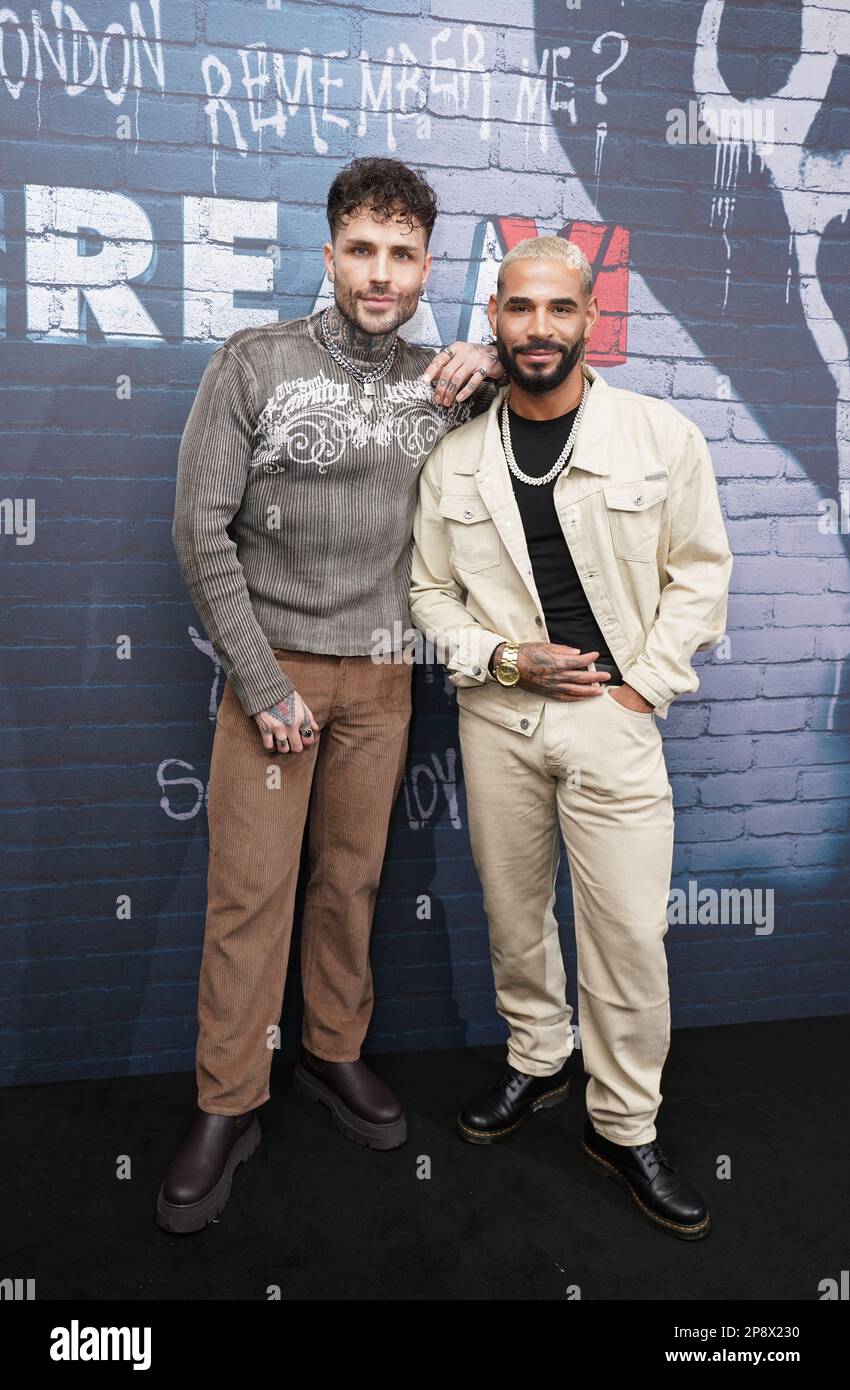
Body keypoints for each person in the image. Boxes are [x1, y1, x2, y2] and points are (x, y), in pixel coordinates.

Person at [159, 156, 503, 1234]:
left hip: (386, 677)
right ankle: (228, 1104)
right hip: (275, 676)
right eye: (362, 248)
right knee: (249, 898)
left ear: (424, 267)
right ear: (329, 254)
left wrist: (487, 358)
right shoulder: (254, 363)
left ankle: (333, 1054)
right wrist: (260, 683)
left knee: (349, 884)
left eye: (402, 254)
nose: (381, 272)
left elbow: (527, 413)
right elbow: (197, 530)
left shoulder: (440, 382)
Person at [408, 235, 733, 1240]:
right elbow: (426, 593)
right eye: (519, 310)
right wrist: (507, 660)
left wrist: (639, 689)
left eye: (559, 310)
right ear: (494, 319)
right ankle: (536, 1059)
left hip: (612, 726)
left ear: (590, 319)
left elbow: (700, 574)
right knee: (514, 915)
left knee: (627, 936)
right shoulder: (457, 455)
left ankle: (623, 1123)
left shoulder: (658, 435)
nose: (539, 329)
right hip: (496, 721)